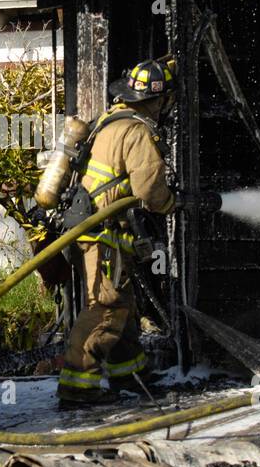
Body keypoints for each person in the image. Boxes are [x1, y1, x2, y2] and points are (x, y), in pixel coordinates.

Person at [58, 57, 177, 407]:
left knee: (122, 302)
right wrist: (173, 204)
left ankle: (129, 372)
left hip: (93, 226)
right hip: (103, 229)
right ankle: (77, 385)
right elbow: (150, 192)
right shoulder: (138, 130)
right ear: (160, 99)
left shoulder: (109, 120)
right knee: (106, 306)